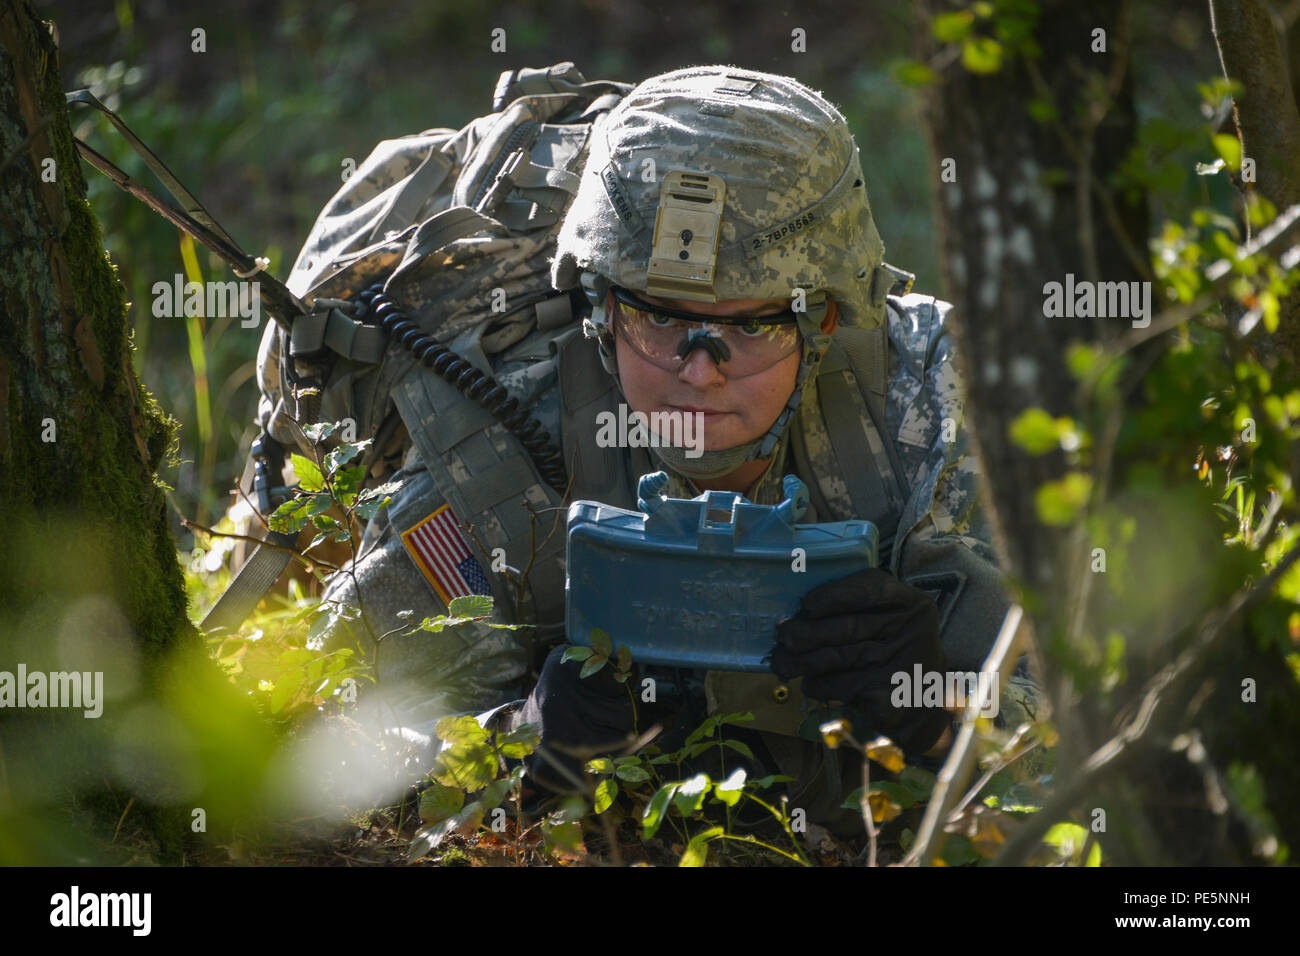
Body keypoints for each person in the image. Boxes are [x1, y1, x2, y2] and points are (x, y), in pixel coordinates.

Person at [255, 63, 1033, 832]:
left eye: (751, 325)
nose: (697, 373)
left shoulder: (928, 419)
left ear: (825, 323)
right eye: (659, 318)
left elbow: (1106, 736)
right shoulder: (505, 461)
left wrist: (940, 706)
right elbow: (330, 739)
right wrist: (518, 744)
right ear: (599, 307)